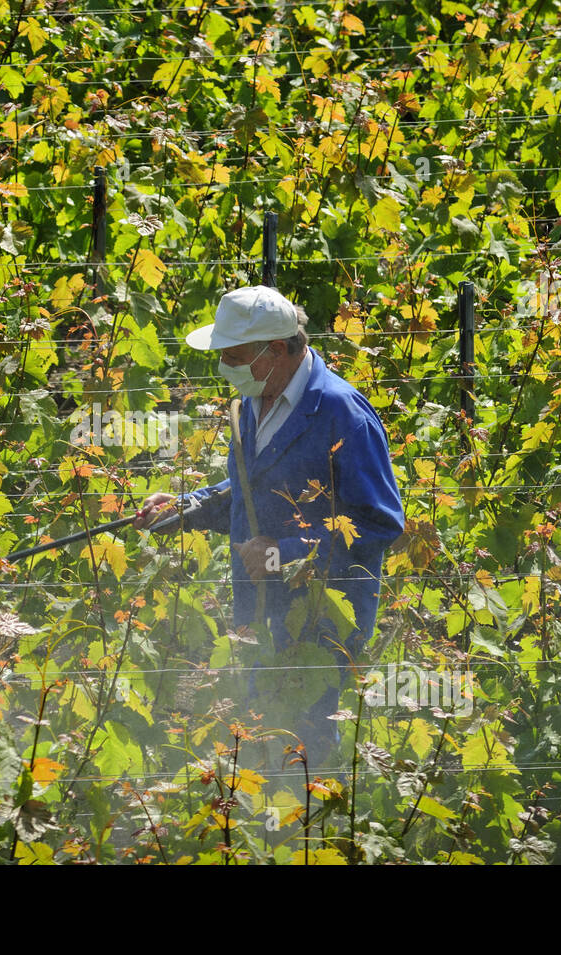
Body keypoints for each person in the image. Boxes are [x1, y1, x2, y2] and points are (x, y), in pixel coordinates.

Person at [135, 285, 405, 762]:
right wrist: (184, 508)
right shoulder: (252, 403)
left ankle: (314, 835)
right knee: (257, 745)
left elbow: (379, 522)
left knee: (306, 753)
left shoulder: (341, 412)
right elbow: (245, 492)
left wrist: (284, 553)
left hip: (320, 623)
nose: (227, 369)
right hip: (258, 611)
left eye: (235, 357)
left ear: (277, 349)